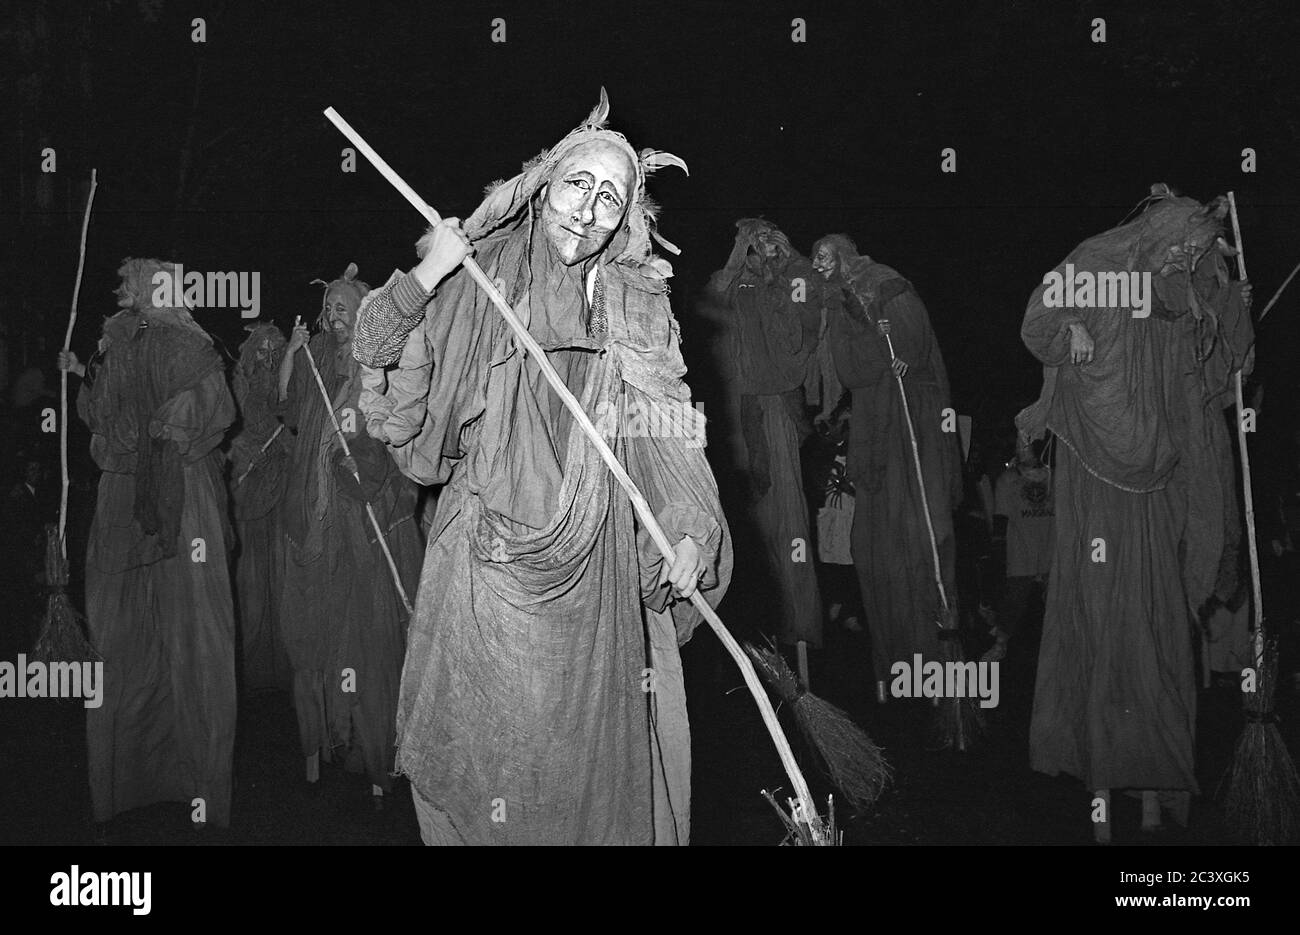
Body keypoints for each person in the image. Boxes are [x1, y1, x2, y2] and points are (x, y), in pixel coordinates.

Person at [352, 90, 732, 845]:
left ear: (625, 220)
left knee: (588, 784)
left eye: (609, 199)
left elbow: (666, 430)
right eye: (576, 185)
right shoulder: (485, 272)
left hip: (596, 583)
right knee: (494, 772)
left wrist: (689, 533)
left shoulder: (635, 307)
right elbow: (377, 354)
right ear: (544, 186)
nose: (587, 210)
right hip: (488, 575)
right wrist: (427, 274)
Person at [1018, 186, 1252, 832]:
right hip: (1097, 476)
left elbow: (1216, 371)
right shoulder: (1097, 265)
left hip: (1159, 485)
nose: (1183, 257)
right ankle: (1101, 781)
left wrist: (1227, 291)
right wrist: (1067, 330)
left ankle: (1154, 788)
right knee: (1103, 621)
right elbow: (1037, 322)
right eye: (1180, 245)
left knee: (1156, 629)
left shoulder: (1174, 288)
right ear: (1156, 234)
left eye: (1193, 250)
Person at [58, 257, 238, 829]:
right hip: (175, 500)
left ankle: (130, 780)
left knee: (139, 632)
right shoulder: (178, 347)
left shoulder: (124, 348)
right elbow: (205, 413)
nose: (120, 290)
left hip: (146, 497)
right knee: (191, 634)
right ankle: (195, 784)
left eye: (126, 284)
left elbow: (102, 418)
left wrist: (91, 386)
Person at [276, 264, 421, 799]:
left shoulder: (378, 360)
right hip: (320, 517)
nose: (334, 316)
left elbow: (392, 430)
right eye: (329, 307)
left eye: (344, 308)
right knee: (324, 629)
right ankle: (331, 739)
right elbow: (289, 412)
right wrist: (292, 352)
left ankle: (376, 746)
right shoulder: (315, 357)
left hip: (367, 520)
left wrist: (356, 450)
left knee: (369, 632)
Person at [811, 234, 962, 699]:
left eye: (822, 255)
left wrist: (888, 337)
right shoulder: (836, 305)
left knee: (922, 536)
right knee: (878, 547)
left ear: (842, 254)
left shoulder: (883, 282)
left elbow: (910, 347)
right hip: (876, 427)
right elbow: (853, 370)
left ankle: (937, 667)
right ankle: (895, 665)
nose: (816, 264)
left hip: (909, 424)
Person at [702, 219, 823, 654]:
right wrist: (740, 247)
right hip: (732, 415)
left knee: (786, 518)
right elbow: (715, 294)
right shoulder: (736, 286)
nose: (759, 250)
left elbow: (806, 313)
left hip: (773, 409)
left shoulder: (789, 284)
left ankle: (800, 625)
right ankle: (756, 621)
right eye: (754, 246)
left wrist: (781, 257)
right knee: (741, 519)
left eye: (768, 244)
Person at [230, 322, 291, 691]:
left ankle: (284, 660)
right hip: (248, 490)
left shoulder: (286, 385)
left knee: (282, 572)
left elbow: (294, 425)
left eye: (274, 352)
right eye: (262, 352)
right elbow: (228, 430)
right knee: (251, 580)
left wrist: (286, 441)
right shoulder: (240, 387)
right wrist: (242, 452)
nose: (268, 359)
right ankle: (250, 661)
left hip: (282, 487)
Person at [984, 434, 1054, 662]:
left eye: (1024, 445)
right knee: (1013, 602)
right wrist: (998, 551)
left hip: (1050, 550)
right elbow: (1000, 518)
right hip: (1021, 551)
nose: (1019, 449)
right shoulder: (1008, 480)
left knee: (1055, 603)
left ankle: (1059, 648)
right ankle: (1001, 644)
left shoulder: (1055, 478)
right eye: (1017, 444)